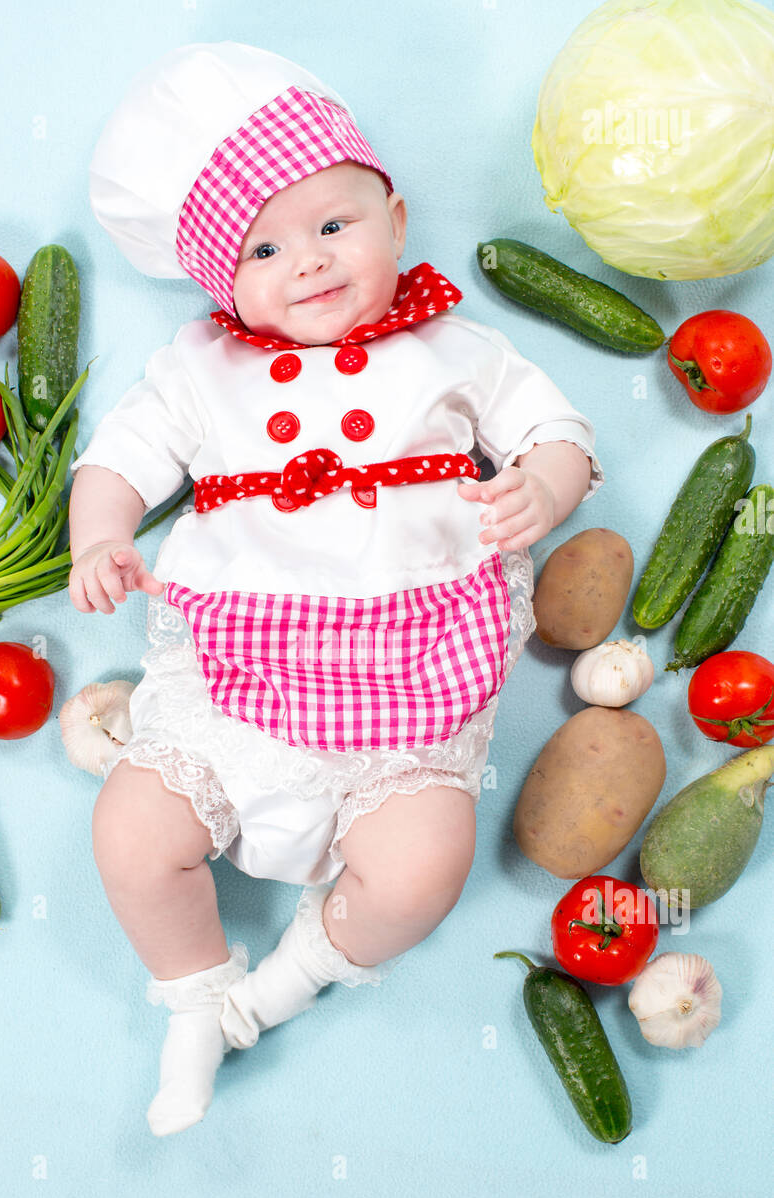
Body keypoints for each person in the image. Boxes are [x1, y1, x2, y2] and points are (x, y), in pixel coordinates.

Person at [67, 42, 603, 1137]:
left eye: (332, 225)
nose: (307, 262)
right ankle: (194, 992)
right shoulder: (199, 369)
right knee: (130, 831)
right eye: (264, 248)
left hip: (409, 673)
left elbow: (556, 428)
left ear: (395, 223)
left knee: (420, 871)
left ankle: (290, 979)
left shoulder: (456, 348)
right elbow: (119, 455)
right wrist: (102, 533)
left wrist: (543, 488)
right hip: (238, 681)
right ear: (224, 284)